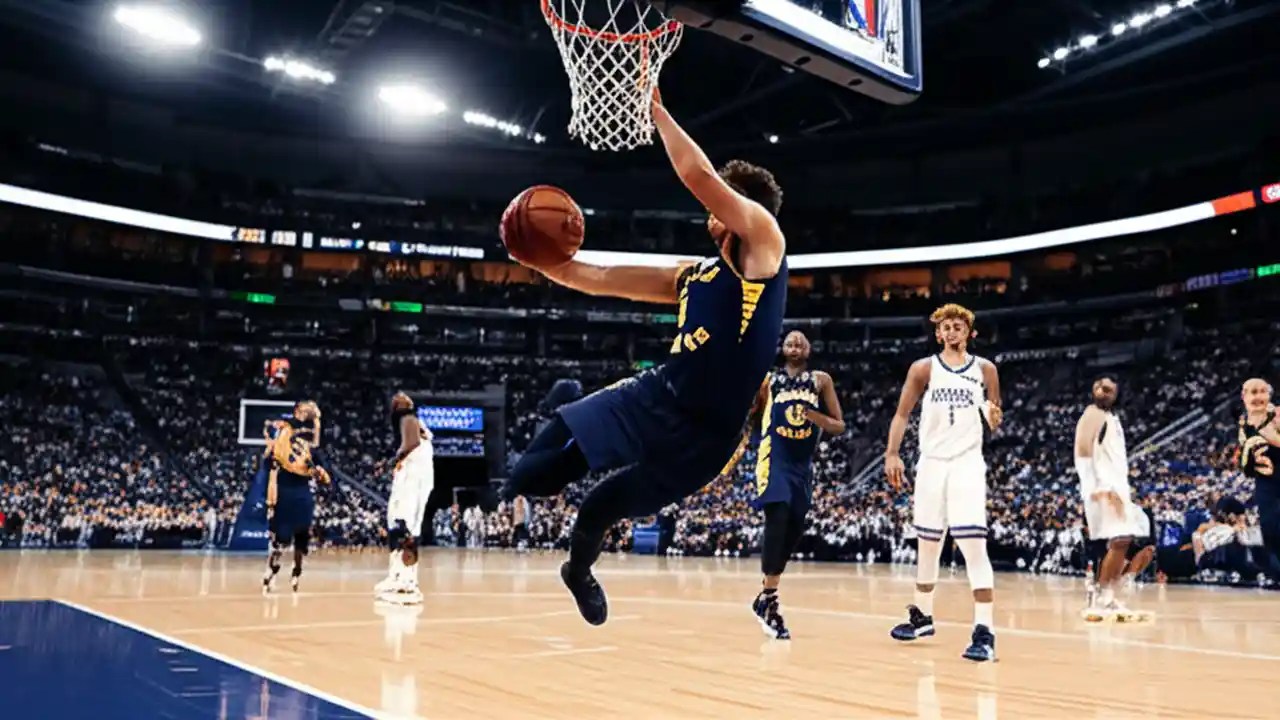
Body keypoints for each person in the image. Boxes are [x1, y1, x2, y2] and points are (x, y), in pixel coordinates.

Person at [499, 87, 788, 626]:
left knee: (602, 506)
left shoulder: (765, 246)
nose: (709, 206)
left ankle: (577, 571)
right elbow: (601, 277)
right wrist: (538, 258)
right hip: (659, 394)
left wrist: (657, 112)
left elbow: (699, 176)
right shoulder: (692, 275)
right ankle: (559, 415)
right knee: (537, 478)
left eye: (721, 198)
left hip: (708, 436)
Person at [884, 304, 1002, 662]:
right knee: (928, 543)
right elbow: (902, 413)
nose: (951, 332)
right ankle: (922, 615)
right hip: (932, 463)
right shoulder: (923, 368)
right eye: (946, 327)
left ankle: (984, 630)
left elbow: (994, 418)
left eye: (958, 327)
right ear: (938, 334)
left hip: (966, 463)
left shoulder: (985, 369)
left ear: (970, 332)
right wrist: (892, 453)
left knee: (972, 545)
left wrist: (994, 415)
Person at [732, 330, 844, 639]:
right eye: (790, 342)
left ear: (809, 349)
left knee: (793, 530)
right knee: (778, 517)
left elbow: (839, 424)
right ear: (782, 348)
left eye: (801, 342)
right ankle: (770, 600)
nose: (795, 346)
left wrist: (813, 416)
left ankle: (766, 595)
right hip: (774, 460)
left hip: (802, 467)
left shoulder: (821, 381)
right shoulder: (768, 381)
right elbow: (752, 415)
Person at [1073, 377, 1150, 621]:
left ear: (1116, 394)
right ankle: (1104, 597)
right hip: (1103, 489)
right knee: (1120, 539)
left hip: (1116, 488)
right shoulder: (1093, 414)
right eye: (1099, 387)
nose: (1103, 391)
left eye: (1109, 389)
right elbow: (1082, 450)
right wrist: (1096, 488)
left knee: (1122, 541)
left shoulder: (1112, 419)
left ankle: (1107, 596)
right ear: (1093, 390)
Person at [374, 392, 435, 605]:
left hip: (412, 479)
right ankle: (401, 577)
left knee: (401, 527)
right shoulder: (420, 425)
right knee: (404, 528)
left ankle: (405, 583)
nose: (394, 403)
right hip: (419, 480)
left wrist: (390, 463)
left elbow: (411, 443)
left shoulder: (408, 418)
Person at [263, 400, 329, 594]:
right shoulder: (284, 432)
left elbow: (325, 476)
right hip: (284, 490)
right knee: (279, 540)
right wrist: (271, 500)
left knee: (301, 538)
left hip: (302, 492)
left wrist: (321, 474)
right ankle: (271, 569)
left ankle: (296, 572)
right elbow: (271, 464)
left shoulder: (312, 448)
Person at [1237, 378, 1280, 577]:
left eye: (1262, 392)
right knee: (1269, 530)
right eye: (1253, 392)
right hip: (1265, 483)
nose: (1258, 397)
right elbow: (1246, 462)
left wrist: (1267, 433)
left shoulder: (1277, 414)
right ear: (1243, 396)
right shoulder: (1244, 423)